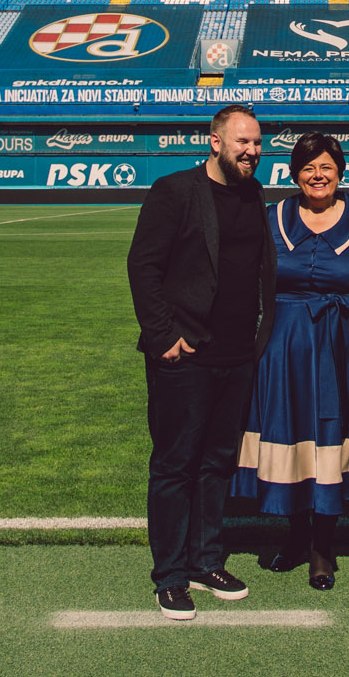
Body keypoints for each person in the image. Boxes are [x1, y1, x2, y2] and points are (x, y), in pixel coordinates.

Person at [126, 105, 276, 621]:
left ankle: (205, 561)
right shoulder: (175, 190)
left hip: (237, 355)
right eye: (242, 142)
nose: (252, 151)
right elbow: (143, 265)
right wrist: (163, 335)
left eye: (257, 142)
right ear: (215, 142)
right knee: (175, 466)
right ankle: (169, 576)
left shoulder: (254, 193)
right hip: (185, 357)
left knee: (217, 464)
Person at [232, 133, 349, 591]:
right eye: (308, 168)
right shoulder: (272, 217)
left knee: (329, 438)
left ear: (341, 171)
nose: (318, 175)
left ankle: (322, 547)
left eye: (326, 166)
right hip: (282, 345)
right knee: (288, 437)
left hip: (339, 346)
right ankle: (294, 535)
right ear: (294, 174)